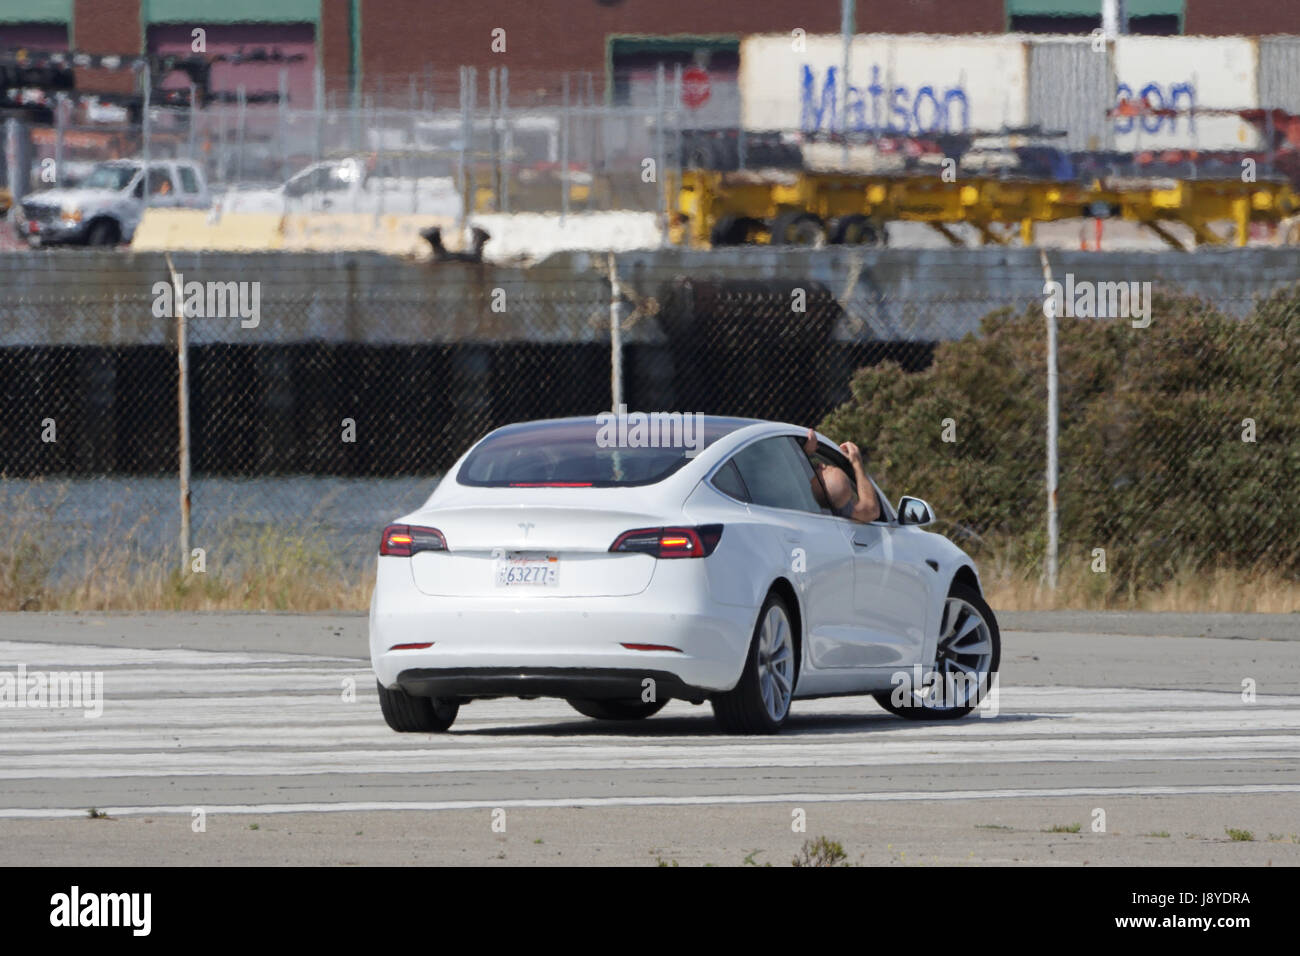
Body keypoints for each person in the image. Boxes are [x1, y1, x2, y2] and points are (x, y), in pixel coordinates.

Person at [804, 428, 881, 523]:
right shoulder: (839, 513)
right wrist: (857, 464)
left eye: (822, 470)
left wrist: (805, 453)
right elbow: (871, 510)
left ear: (821, 487)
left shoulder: (792, 498)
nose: (821, 465)